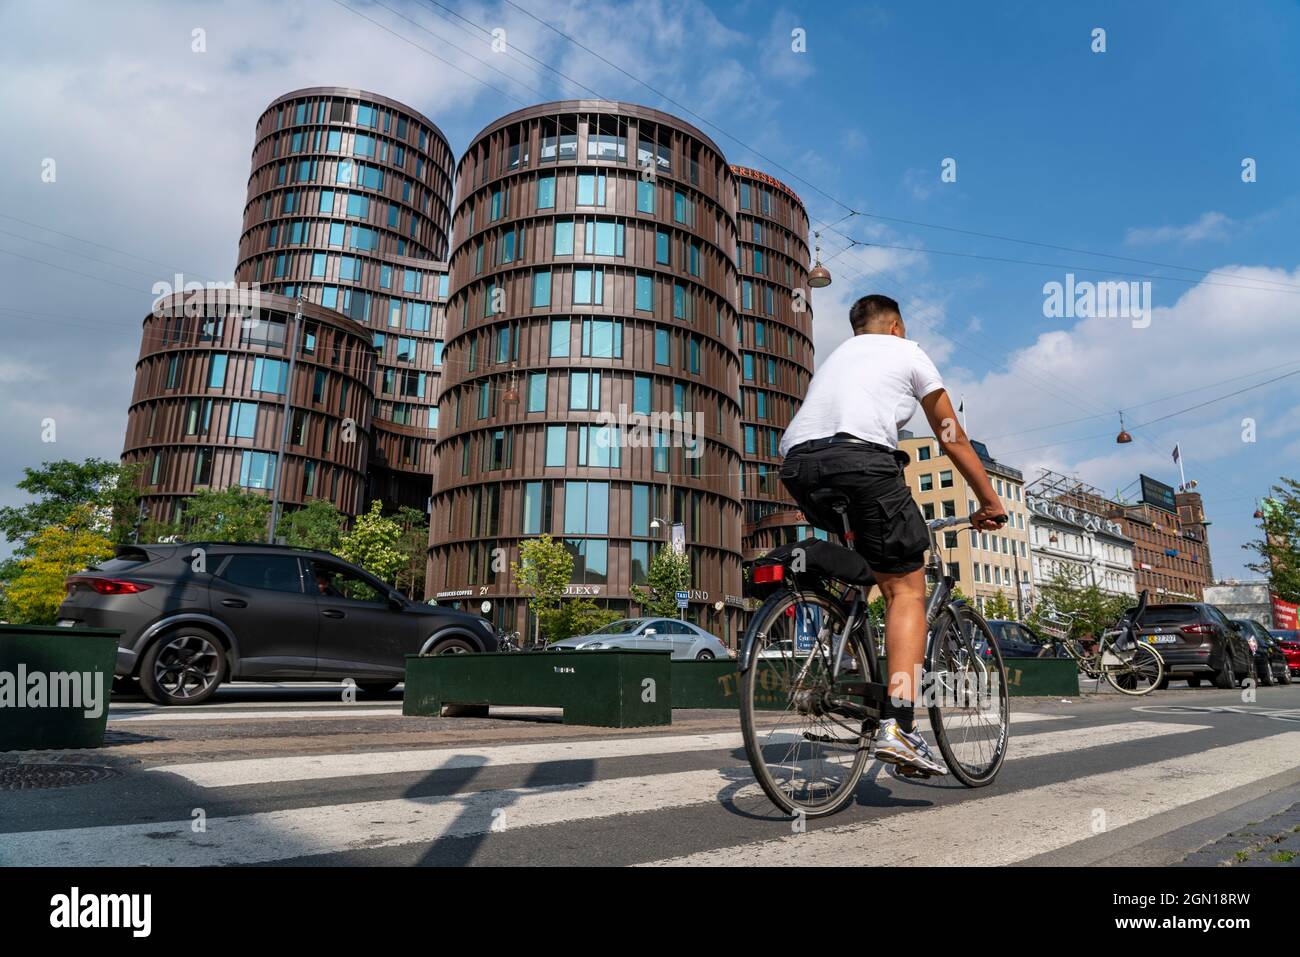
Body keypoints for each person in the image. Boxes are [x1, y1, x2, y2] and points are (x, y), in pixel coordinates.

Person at [779, 294, 1007, 776]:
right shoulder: (907, 351)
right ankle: (899, 726)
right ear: (897, 327)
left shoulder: (836, 359)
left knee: (867, 565)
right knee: (905, 587)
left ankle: (845, 656)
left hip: (798, 466)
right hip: (862, 461)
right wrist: (989, 500)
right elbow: (950, 434)